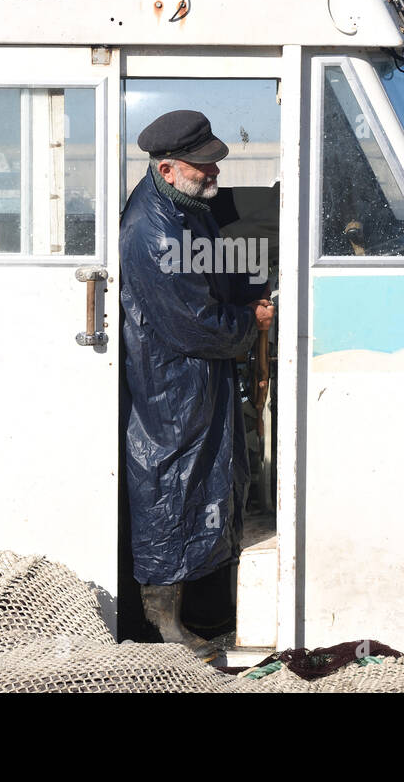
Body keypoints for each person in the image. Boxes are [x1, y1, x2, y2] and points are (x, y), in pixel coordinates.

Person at [120, 109, 274, 659]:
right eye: (203, 166)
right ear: (167, 169)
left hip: (197, 375)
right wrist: (248, 322)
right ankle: (162, 625)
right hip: (171, 383)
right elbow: (194, 323)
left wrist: (249, 288)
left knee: (211, 481)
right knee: (171, 488)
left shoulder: (187, 205)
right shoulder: (154, 232)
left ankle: (207, 609)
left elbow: (216, 271)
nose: (215, 175)